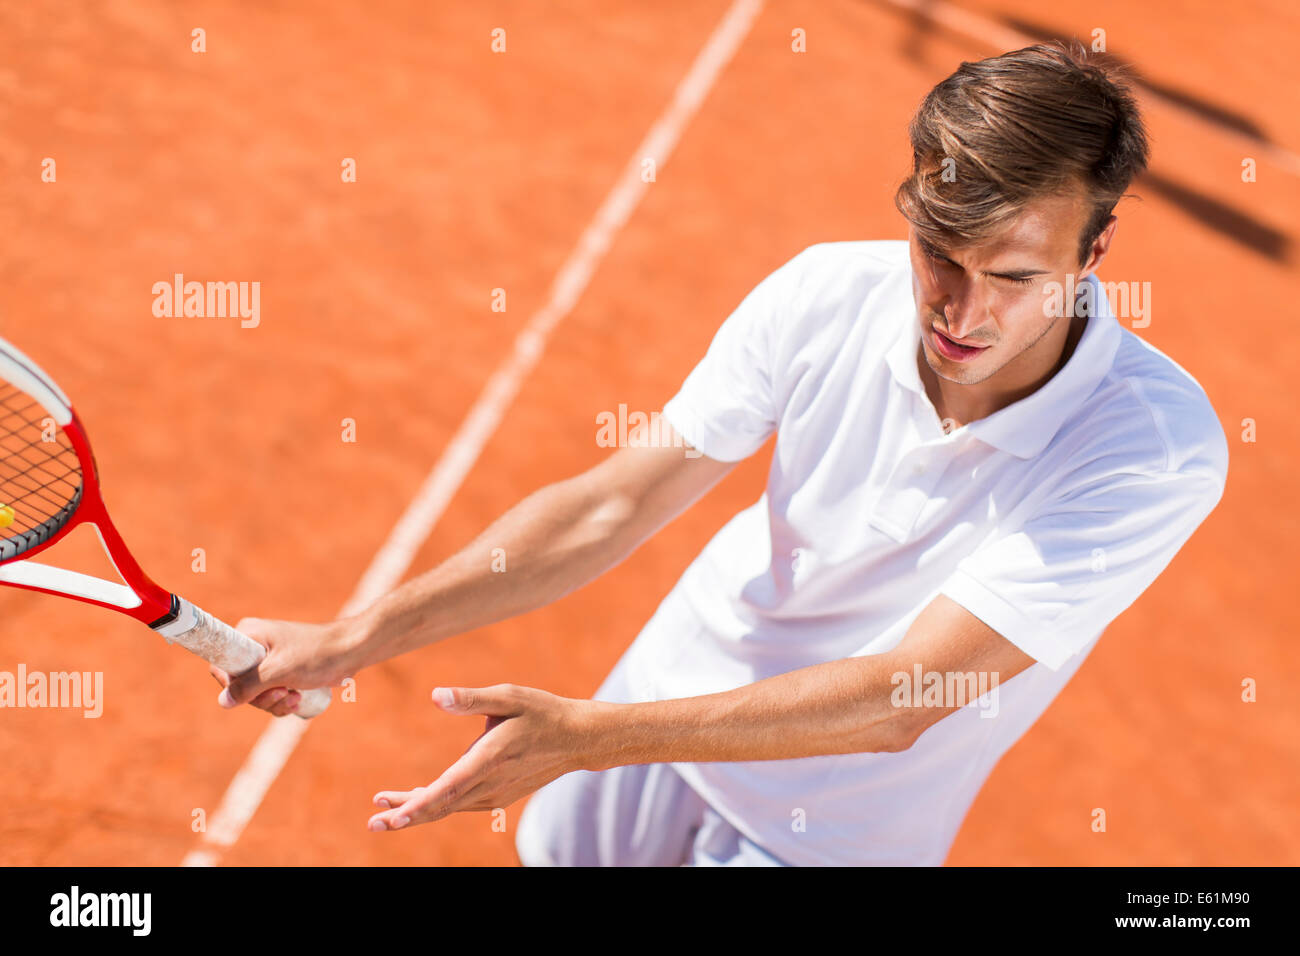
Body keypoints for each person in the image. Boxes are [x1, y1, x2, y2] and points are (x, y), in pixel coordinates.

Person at [214, 42, 1229, 866]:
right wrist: (354, 637)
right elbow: (614, 504)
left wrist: (589, 736)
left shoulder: (1151, 449)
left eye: (1011, 274)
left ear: (1093, 255)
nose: (960, 312)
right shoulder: (825, 291)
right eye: (936, 254)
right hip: (663, 693)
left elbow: (902, 695)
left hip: (829, 827)